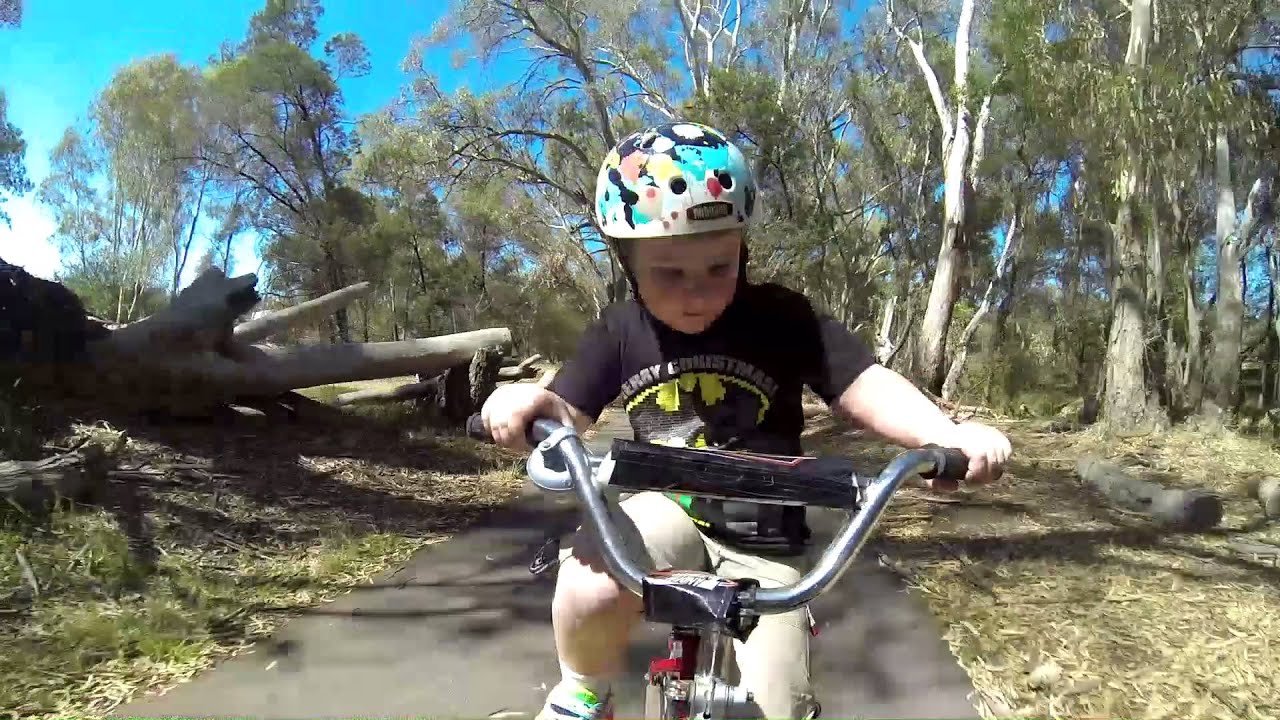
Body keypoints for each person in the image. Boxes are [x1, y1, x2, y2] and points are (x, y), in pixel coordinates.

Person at [478, 121, 1012, 720]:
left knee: (781, 703)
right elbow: (566, 410)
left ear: (742, 249)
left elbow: (864, 382)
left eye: (718, 267)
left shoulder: (784, 319)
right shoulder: (619, 331)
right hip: (667, 506)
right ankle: (582, 692)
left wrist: (941, 432)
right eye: (669, 273)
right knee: (590, 578)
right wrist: (529, 404)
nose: (697, 293)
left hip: (767, 532)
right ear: (626, 264)